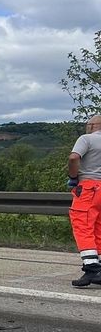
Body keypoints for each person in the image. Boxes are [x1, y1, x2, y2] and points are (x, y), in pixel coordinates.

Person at [67, 115, 101, 287]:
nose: (86, 126)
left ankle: (91, 268)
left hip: (89, 187)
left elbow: (73, 158)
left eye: (88, 123)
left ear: (94, 125)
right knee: (98, 228)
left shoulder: (86, 139)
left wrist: (73, 177)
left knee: (82, 226)